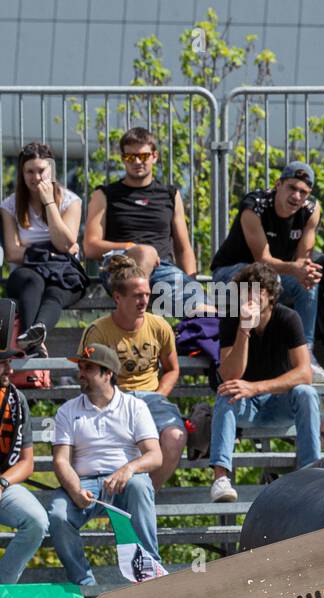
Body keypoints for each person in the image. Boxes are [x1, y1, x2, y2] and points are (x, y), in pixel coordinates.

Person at [48, 344, 163, 587]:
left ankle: (149, 575)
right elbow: (60, 460)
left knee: (140, 487)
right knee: (58, 513)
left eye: (88, 368)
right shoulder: (67, 411)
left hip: (125, 482)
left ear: (107, 373)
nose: (81, 373)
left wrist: (128, 469)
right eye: (81, 368)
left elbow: (155, 456)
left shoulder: (135, 407)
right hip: (85, 483)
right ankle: (84, 584)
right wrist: (74, 489)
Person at [209, 162, 324, 382]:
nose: (296, 196)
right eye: (291, 188)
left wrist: (306, 272)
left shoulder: (311, 210)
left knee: (308, 283)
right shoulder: (254, 206)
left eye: (303, 192)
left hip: (272, 277)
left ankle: (307, 357)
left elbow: (302, 260)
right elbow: (262, 260)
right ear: (278, 184)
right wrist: (296, 269)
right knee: (269, 280)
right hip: (230, 275)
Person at [208, 263, 321, 503]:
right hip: (246, 406)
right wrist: (244, 330)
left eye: (256, 291)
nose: (249, 297)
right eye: (244, 291)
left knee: (306, 393)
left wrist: (256, 387)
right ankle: (221, 477)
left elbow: (304, 373)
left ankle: (313, 473)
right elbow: (230, 374)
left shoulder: (288, 318)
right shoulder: (231, 320)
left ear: (269, 295)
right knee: (226, 392)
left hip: (280, 403)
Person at [79, 257, 187, 491]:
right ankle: (128, 499)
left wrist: (159, 394)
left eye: (147, 294)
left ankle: (144, 495)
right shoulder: (98, 331)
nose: (144, 300)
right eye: (137, 295)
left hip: (151, 397)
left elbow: (172, 369)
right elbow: (88, 377)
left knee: (175, 436)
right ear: (118, 297)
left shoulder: (159, 326)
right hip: (113, 400)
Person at [82, 127, 205, 321]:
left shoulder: (170, 195)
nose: (137, 162)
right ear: (123, 159)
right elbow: (90, 247)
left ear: (154, 156)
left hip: (163, 269)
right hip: (118, 266)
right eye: (130, 157)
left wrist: (191, 282)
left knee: (207, 311)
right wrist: (130, 247)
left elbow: (183, 248)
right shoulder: (104, 194)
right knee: (145, 252)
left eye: (143, 156)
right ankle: (134, 320)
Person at [1, 141, 84, 346]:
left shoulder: (70, 201)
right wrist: (53, 252)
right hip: (26, 274)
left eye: (41, 171)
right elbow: (12, 253)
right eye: (29, 171)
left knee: (54, 294)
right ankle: (33, 339)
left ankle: (34, 337)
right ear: (22, 173)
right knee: (34, 280)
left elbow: (64, 244)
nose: (36, 178)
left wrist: (49, 203)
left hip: (64, 275)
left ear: (51, 170)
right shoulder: (10, 205)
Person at [0, 348, 49, 582]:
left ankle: (3, 589)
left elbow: (26, 463)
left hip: (3, 483)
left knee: (37, 521)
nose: (10, 369)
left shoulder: (16, 399)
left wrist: (2, 482)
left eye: (9, 362)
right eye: (3, 363)